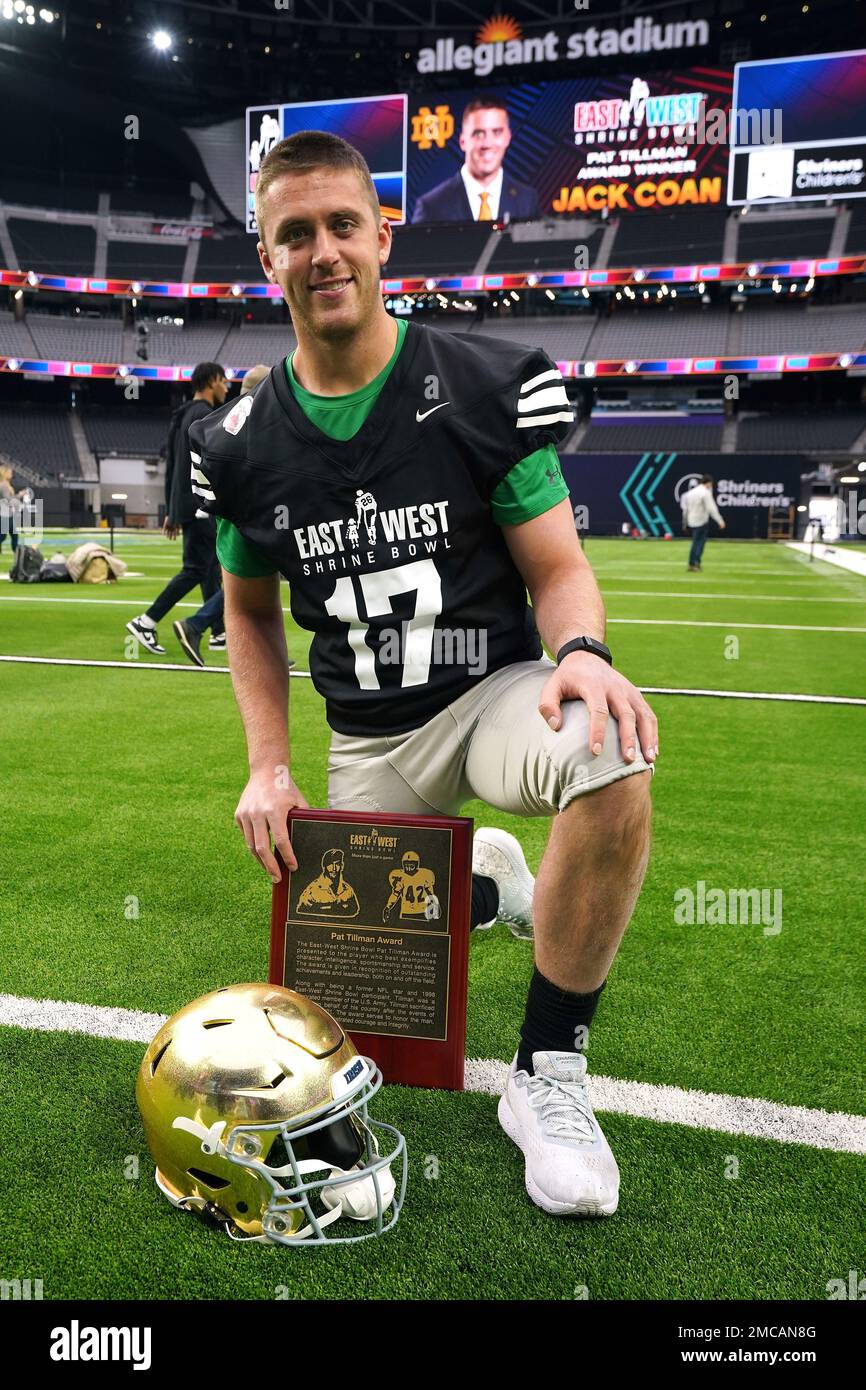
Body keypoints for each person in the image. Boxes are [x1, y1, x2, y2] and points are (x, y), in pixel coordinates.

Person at [189, 130, 657, 1221]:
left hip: (491, 695)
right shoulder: (239, 441)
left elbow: (557, 565)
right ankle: (482, 881)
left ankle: (546, 1073)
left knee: (612, 749)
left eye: (341, 225)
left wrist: (582, 655)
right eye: (292, 233)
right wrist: (268, 764)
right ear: (266, 259)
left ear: (380, 235)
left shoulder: (480, 384)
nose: (322, 252)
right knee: (362, 1051)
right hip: (365, 739)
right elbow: (248, 615)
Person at [172, 363, 292, 668]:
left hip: (232, 513)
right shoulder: (262, 418)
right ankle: (196, 625)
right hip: (255, 514)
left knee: (248, 583)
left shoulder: (226, 421)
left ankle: (203, 628)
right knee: (256, 583)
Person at [126, 361, 229, 654]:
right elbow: (200, 466)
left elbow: (173, 465)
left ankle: (218, 632)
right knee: (197, 568)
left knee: (207, 567)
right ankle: (146, 621)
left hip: (187, 504)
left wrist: (172, 508)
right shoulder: (206, 416)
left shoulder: (183, 415)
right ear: (210, 382)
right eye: (223, 380)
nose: (226, 386)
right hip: (200, 506)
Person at [413, 96, 539, 224]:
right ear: (462, 141)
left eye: (496, 132)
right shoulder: (431, 206)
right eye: (478, 134)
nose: (487, 144)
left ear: (508, 137)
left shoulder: (527, 200)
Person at [681, 474, 726, 572]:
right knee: (699, 544)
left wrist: (685, 522)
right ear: (709, 483)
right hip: (701, 521)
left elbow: (685, 509)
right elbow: (711, 508)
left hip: (691, 521)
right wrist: (720, 521)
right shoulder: (705, 493)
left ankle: (691, 564)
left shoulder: (690, 493)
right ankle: (695, 563)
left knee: (694, 542)